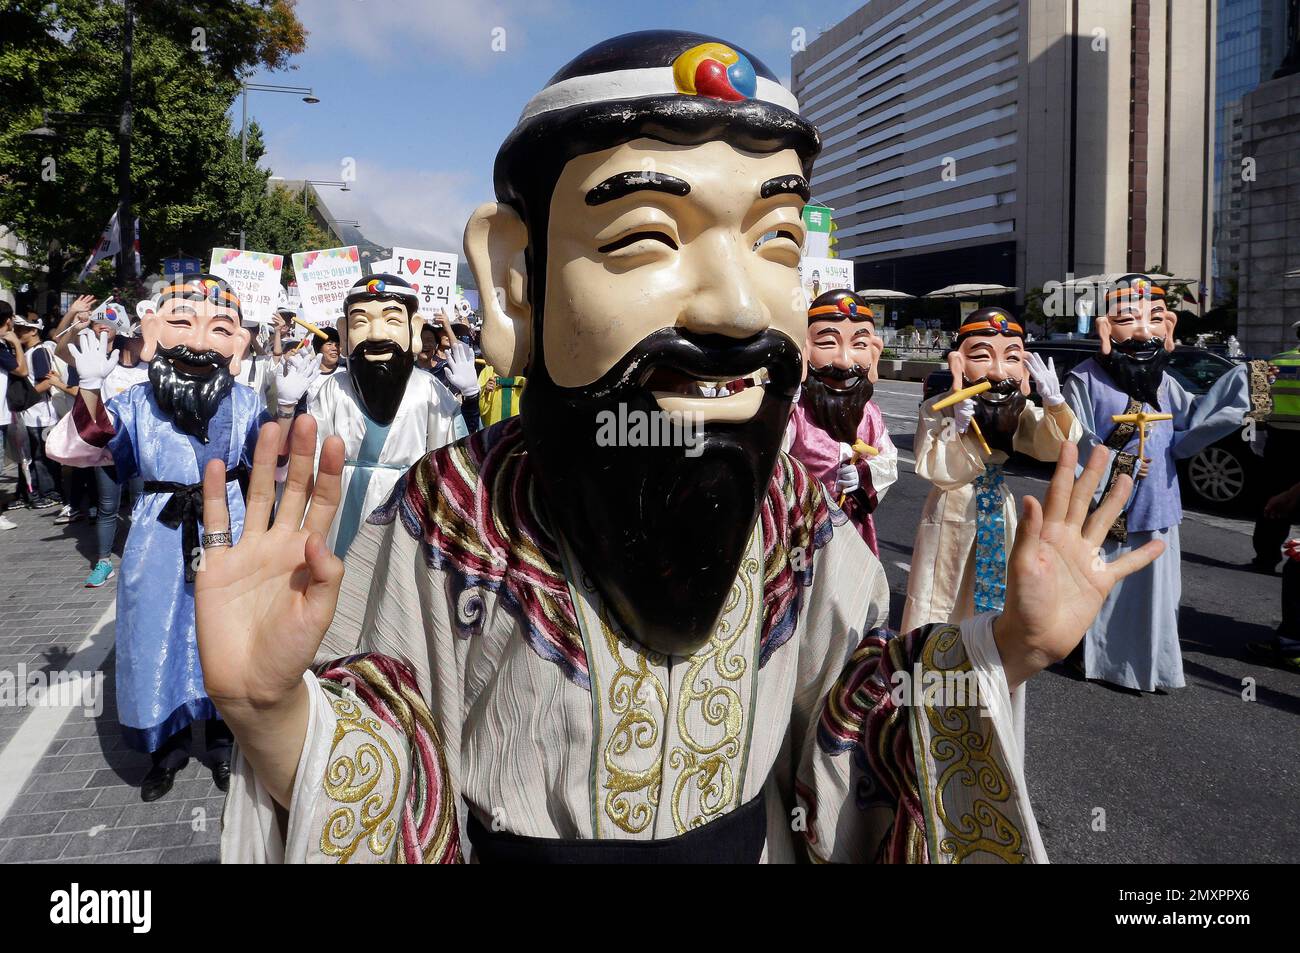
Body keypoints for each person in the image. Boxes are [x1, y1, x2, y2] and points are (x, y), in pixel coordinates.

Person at [205, 30, 1160, 865]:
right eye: (646, 236)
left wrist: (1011, 647)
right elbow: (374, 764)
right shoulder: (454, 511)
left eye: (776, 241)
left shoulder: (795, 515)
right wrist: (267, 710)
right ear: (513, 283)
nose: (739, 307)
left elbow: (862, 728)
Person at [47, 274, 315, 801]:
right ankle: (163, 751)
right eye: (180, 324)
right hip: (159, 532)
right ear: (151, 333)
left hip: (231, 530)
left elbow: (277, 462)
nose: (197, 341)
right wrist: (93, 387)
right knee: (155, 632)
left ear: (238, 343)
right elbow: (79, 448)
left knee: (227, 633)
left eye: (218, 329)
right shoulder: (136, 402)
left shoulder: (242, 404)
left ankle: (222, 741)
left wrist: (285, 409)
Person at [1063, 274, 1274, 691]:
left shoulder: (1164, 381)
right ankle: (1103, 663)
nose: (1144, 330)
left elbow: (1189, 427)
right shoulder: (1084, 381)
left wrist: (1242, 387)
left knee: (1159, 595)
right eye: (1128, 319)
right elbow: (1073, 443)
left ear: (1169, 327)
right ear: (1106, 327)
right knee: (1108, 589)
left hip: (1159, 503)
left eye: (1154, 319)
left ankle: (1154, 668)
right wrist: (1119, 462)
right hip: (1112, 511)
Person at [903, 307, 1081, 630]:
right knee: (941, 597)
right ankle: (936, 672)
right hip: (950, 509)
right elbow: (930, 464)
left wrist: (1055, 404)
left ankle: (987, 673)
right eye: (983, 356)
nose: (998, 373)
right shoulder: (938, 407)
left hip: (1000, 509)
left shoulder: (1019, 409)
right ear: (958, 363)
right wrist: (953, 428)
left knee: (998, 601)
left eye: (1011, 358)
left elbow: (1053, 446)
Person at [290, 275, 464, 558]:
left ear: (414, 329)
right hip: (339, 502)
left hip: (407, 509)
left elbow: (449, 466)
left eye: (392, 321)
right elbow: (309, 462)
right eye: (360, 322)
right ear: (344, 332)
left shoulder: (431, 391)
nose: (376, 334)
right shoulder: (332, 389)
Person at [785, 289, 897, 554]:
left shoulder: (869, 413)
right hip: (803, 533)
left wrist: (864, 476)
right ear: (804, 350)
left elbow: (888, 460)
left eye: (859, 345)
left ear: (875, 353)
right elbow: (770, 468)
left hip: (853, 528)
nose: (845, 361)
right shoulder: (796, 413)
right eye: (827, 344)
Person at [1249, 318, 1300, 574]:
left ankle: (1266, 558)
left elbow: (1257, 407)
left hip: (1279, 442)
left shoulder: (1271, 363)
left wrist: (1258, 437)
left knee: (1272, 503)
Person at [13, 312, 66, 509]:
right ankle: (34, 493)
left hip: (43, 416)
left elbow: (46, 382)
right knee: (33, 457)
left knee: (45, 458)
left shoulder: (39, 351)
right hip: (30, 416)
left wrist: (23, 400)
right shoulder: (27, 352)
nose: (17, 332)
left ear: (34, 331)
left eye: (22, 329)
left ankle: (52, 493)